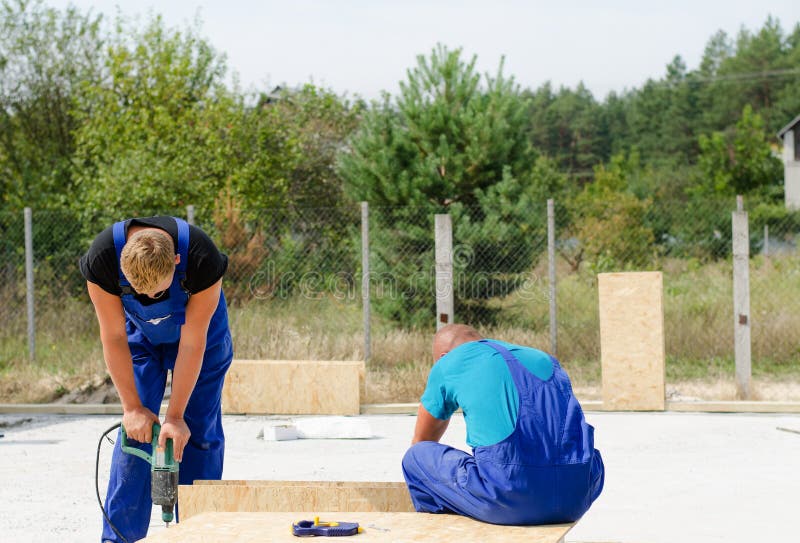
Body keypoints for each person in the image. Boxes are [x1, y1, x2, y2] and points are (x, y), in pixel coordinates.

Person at [80, 215, 233, 542]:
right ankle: (119, 536)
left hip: (200, 337)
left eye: (159, 291)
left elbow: (193, 344)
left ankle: (198, 532)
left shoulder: (202, 257)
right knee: (135, 434)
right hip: (139, 341)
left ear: (176, 261)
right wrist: (132, 408)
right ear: (123, 268)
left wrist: (175, 416)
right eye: (140, 292)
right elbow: (113, 337)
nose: (150, 299)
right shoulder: (102, 258)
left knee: (197, 432)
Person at [402, 324, 604, 525]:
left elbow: (422, 441)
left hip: (510, 500)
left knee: (415, 458)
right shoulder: (543, 358)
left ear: (443, 356)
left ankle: (445, 531)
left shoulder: (448, 363)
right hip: (577, 494)